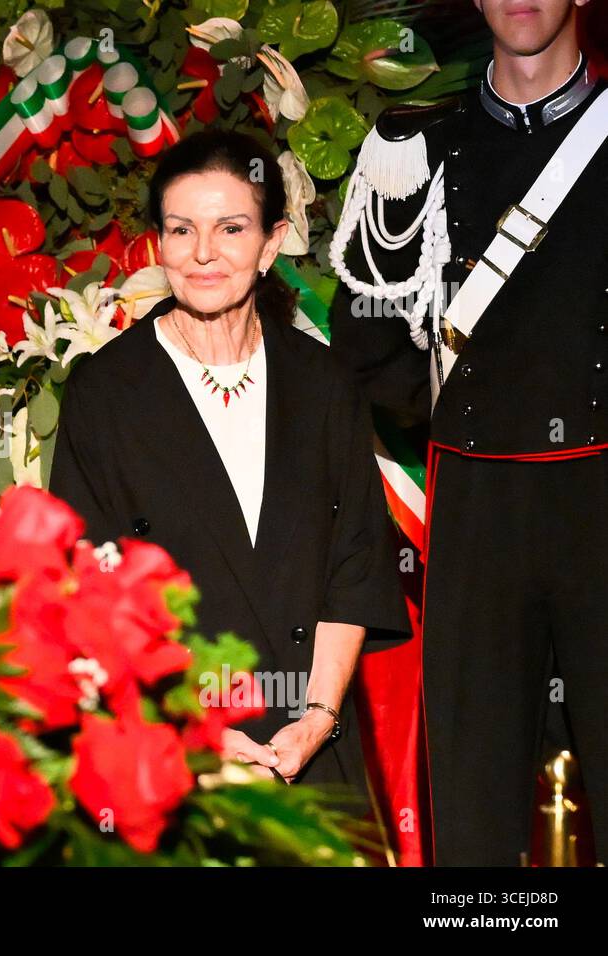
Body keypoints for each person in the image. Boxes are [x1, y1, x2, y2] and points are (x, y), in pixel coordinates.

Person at [328, 0, 608, 865]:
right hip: (477, 494)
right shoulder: (415, 149)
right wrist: (452, 403)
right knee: (473, 807)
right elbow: (367, 332)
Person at [51, 129, 410, 792]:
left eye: (231, 228)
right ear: (160, 242)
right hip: (169, 748)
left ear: (272, 243)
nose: (204, 254)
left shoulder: (325, 383)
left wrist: (320, 716)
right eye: (182, 231)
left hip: (309, 751)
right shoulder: (105, 391)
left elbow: (354, 567)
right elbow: (89, 587)